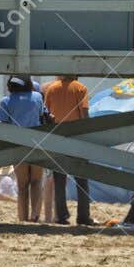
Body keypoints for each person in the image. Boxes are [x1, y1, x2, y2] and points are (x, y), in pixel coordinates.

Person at [41, 74, 92, 226]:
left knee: (59, 179)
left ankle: (61, 216)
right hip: (77, 138)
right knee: (82, 179)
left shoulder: (52, 88)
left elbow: (46, 114)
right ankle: (83, 216)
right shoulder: (80, 88)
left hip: (57, 137)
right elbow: (84, 114)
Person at [0, 76, 46, 222]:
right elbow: (42, 116)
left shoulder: (6, 101)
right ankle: (35, 216)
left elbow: (3, 125)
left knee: (22, 184)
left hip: (18, 145)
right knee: (36, 181)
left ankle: (23, 218)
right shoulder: (37, 97)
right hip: (37, 143)